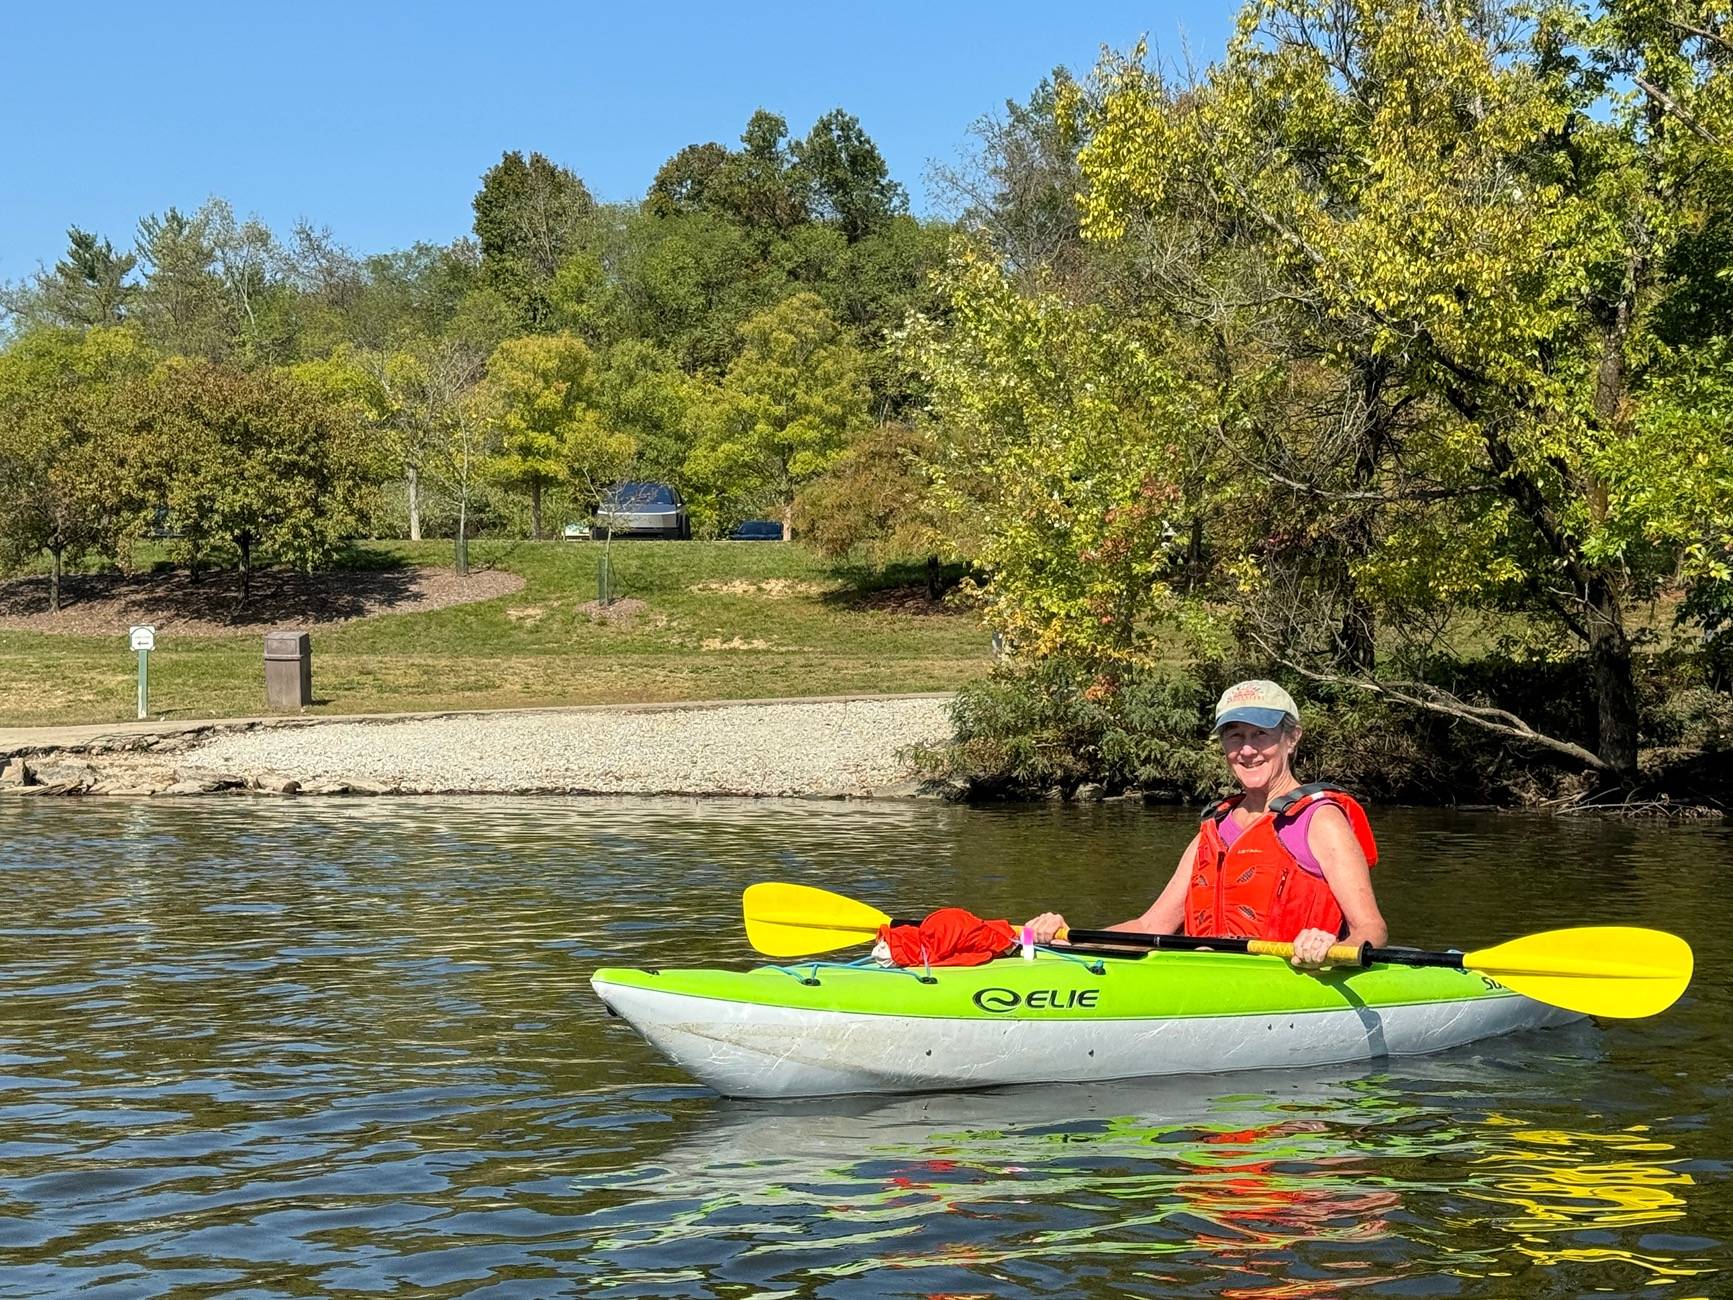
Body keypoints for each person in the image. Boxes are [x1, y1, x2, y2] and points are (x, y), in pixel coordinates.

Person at [1024, 680, 1387, 968]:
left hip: (1288, 977)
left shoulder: (1321, 821)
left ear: (1292, 738)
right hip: (1204, 971)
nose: (1247, 750)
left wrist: (1332, 946)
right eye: (1235, 736)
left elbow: (1371, 929)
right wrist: (1067, 938)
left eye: (1260, 734)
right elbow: (1151, 927)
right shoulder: (1215, 828)